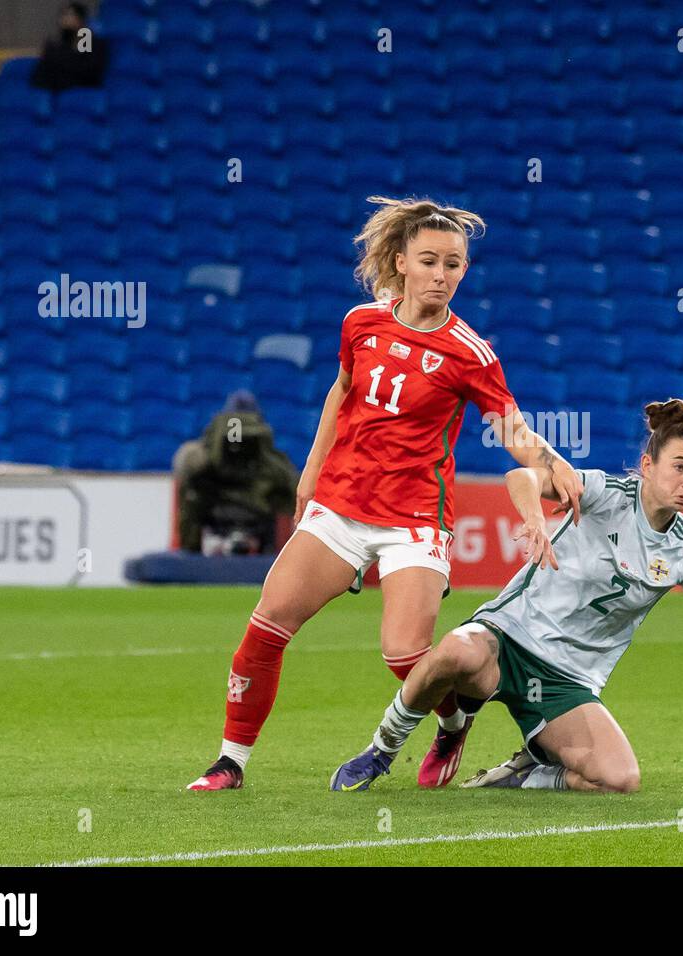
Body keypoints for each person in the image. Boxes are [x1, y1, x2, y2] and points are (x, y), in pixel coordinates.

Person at [188, 196, 583, 791]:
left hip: (416, 517)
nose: (441, 275)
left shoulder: (470, 353)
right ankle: (230, 762)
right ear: (401, 262)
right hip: (342, 504)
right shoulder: (360, 323)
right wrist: (311, 473)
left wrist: (553, 462)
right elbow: (341, 391)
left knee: (405, 655)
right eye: (429, 261)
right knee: (266, 628)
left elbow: (511, 430)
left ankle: (452, 722)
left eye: (454, 264)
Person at [330, 399, 683, 794]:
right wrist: (533, 514)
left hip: (568, 681)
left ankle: (522, 774)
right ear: (647, 464)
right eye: (679, 466)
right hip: (508, 639)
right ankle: (383, 749)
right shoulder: (602, 492)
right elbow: (522, 475)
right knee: (454, 651)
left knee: (620, 780)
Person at [173, 390, 297, 555]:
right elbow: (189, 467)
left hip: (254, 504)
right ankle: (190, 555)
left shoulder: (267, 457)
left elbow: (288, 487)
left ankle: (273, 557)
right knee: (191, 493)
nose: (237, 437)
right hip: (221, 502)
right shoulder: (204, 452)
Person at [30, 2, 108, 93]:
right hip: (57, 88)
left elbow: (88, 71)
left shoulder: (94, 42)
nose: (64, 19)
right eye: (63, 15)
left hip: (83, 90)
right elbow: (40, 75)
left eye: (69, 15)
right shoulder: (55, 45)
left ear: (80, 19)